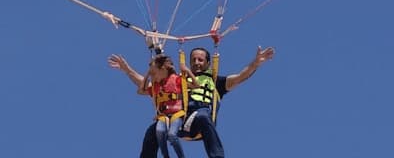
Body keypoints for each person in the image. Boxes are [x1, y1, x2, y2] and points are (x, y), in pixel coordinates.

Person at [109, 44, 275, 158]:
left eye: (200, 60)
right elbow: (148, 86)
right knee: (152, 131)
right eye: (193, 59)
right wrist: (127, 69)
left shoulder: (216, 81)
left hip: (198, 123)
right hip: (177, 119)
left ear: (208, 63)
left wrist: (255, 63)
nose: (196, 62)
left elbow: (241, 77)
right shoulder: (177, 80)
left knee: (203, 116)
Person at [142, 54, 186, 158]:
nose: (152, 77)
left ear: (162, 69)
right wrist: (148, 74)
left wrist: (186, 70)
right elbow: (141, 90)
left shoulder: (177, 79)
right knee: (158, 132)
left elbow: (193, 85)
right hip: (164, 117)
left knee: (171, 135)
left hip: (177, 114)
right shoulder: (157, 87)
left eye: (153, 73)